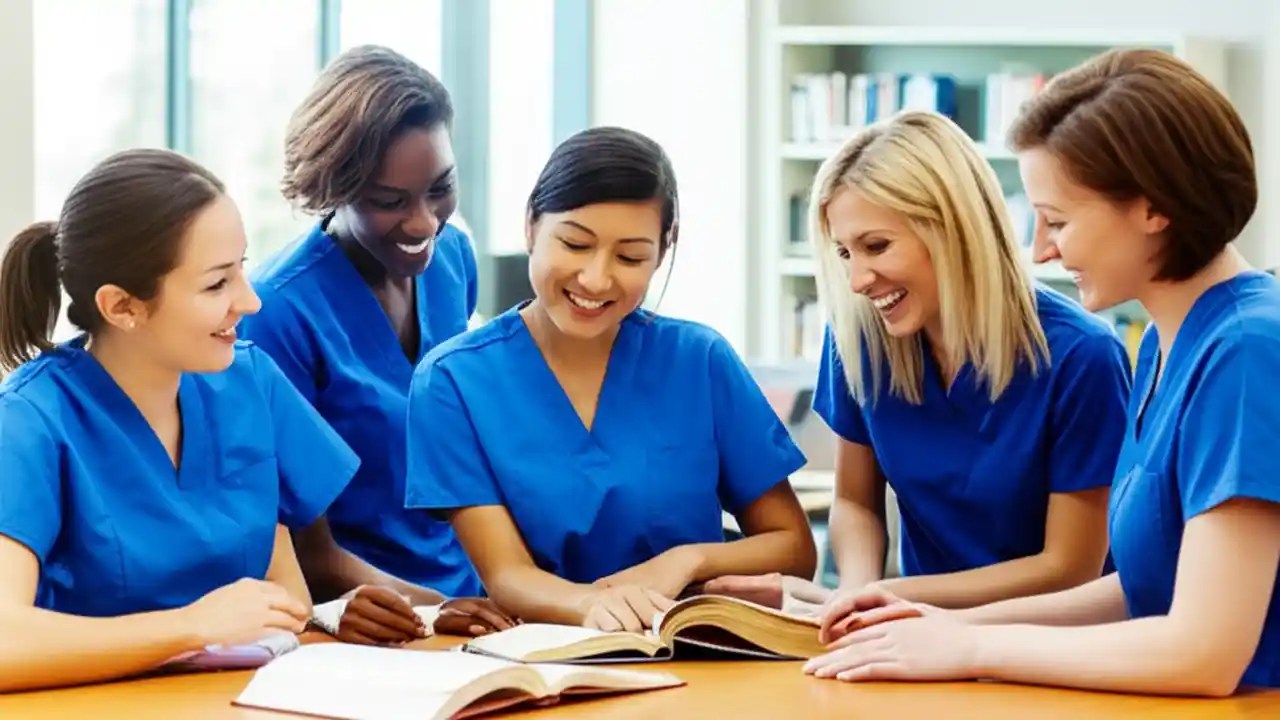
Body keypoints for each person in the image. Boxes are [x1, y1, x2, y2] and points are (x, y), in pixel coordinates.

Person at [802, 48, 1280, 696]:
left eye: (1057, 220)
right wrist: (919, 622)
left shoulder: (1248, 349)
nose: (1041, 250)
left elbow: (1204, 651)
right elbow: (1141, 590)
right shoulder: (1169, 348)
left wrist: (971, 641)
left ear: (1152, 207)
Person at [708, 110, 1131, 621]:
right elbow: (856, 504)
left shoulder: (1082, 355)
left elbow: (1069, 568)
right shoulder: (858, 340)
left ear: (952, 229)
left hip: (1051, 643)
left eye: (876, 246)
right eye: (844, 253)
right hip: (913, 633)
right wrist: (856, 596)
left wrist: (895, 599)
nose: (858, 279)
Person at [402, 126, 818, 632]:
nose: (596, 279)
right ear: (532, 226)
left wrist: (688, 560)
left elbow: (794, 547)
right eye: (575, 244)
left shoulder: (700, 360)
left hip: (695, 654)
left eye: (630, 257)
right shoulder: (453, 381)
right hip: (542, 659)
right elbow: (508, 574)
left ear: (663, 253)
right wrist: (594, 608)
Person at [0, 149, 356, 692]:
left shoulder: (250, 381)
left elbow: (288, 600)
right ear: (122, 307)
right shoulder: (29, 421)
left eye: (242, 269)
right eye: (217, 285)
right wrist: (191, 628)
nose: (251, 301)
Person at [238, 45, 514, 645]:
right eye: (389, 201)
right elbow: (305, 551)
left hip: (480, 595)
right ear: (332, 187)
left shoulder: (452, 260)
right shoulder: (275, 312)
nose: (423, 223)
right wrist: (442, 611)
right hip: (374, 618)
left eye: (440, 188)